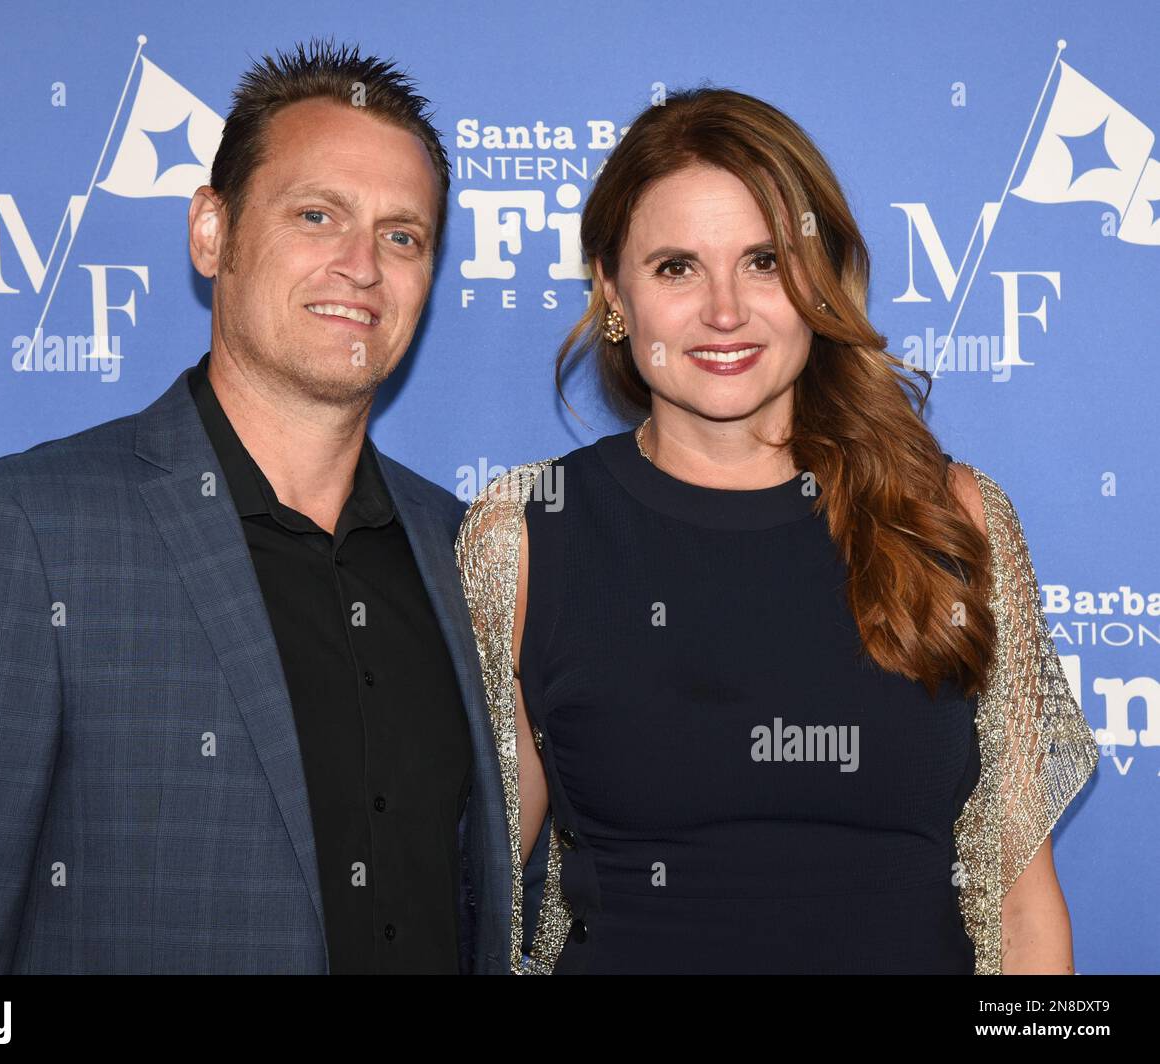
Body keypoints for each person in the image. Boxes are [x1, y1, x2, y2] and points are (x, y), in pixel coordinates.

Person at [0, 39, 512, 974]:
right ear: (213, 231)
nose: (361, 265)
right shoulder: (28, 535)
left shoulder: (463, 549)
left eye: (402, 235)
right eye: (317, 214)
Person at [456, 86, 1099, 975]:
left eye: (763, 262)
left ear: (819, 282)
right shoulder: (526, 533)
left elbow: (1024, 904)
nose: (725, 311)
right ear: (612, 288)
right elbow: (478, 900)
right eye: (676, 267)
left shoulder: (951, 513)